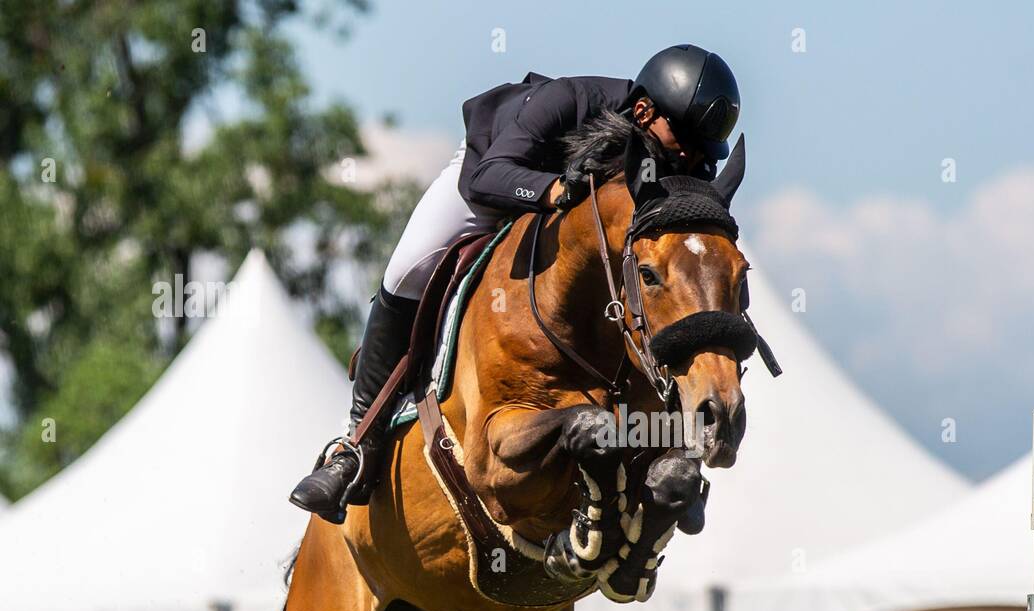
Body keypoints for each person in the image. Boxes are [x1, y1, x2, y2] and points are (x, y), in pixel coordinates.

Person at [290, 44, 742, 522]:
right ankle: (356, 446)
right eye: (685, 141)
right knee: (407, 271)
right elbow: (491, 176)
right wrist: (553, 191)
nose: (692, 159)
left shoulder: (686, 158)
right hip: (495, 181)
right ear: (644, 111)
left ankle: (667, 452)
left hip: (566, 216)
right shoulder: (568, 100)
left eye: (703, 150)